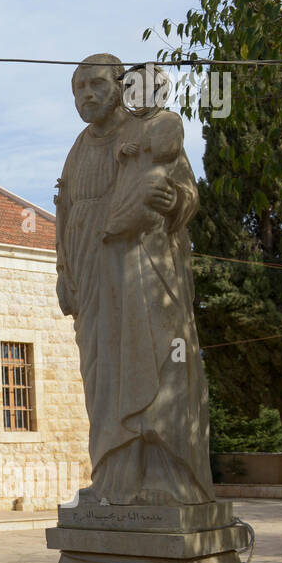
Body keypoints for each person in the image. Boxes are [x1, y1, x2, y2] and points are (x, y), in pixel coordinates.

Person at [55, 53, 215, 506]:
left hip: (141, 272)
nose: (86, 96)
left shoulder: (148, 130)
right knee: (102, 377)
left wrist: (174, 198)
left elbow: (185, 192)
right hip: (90, 280)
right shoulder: (77, 148)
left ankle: (167, 482)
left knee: (157, 366)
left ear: (121, 86)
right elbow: (64, 214)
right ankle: (114, 480)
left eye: (95, 86)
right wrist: (62, 272)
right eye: (78, 89)